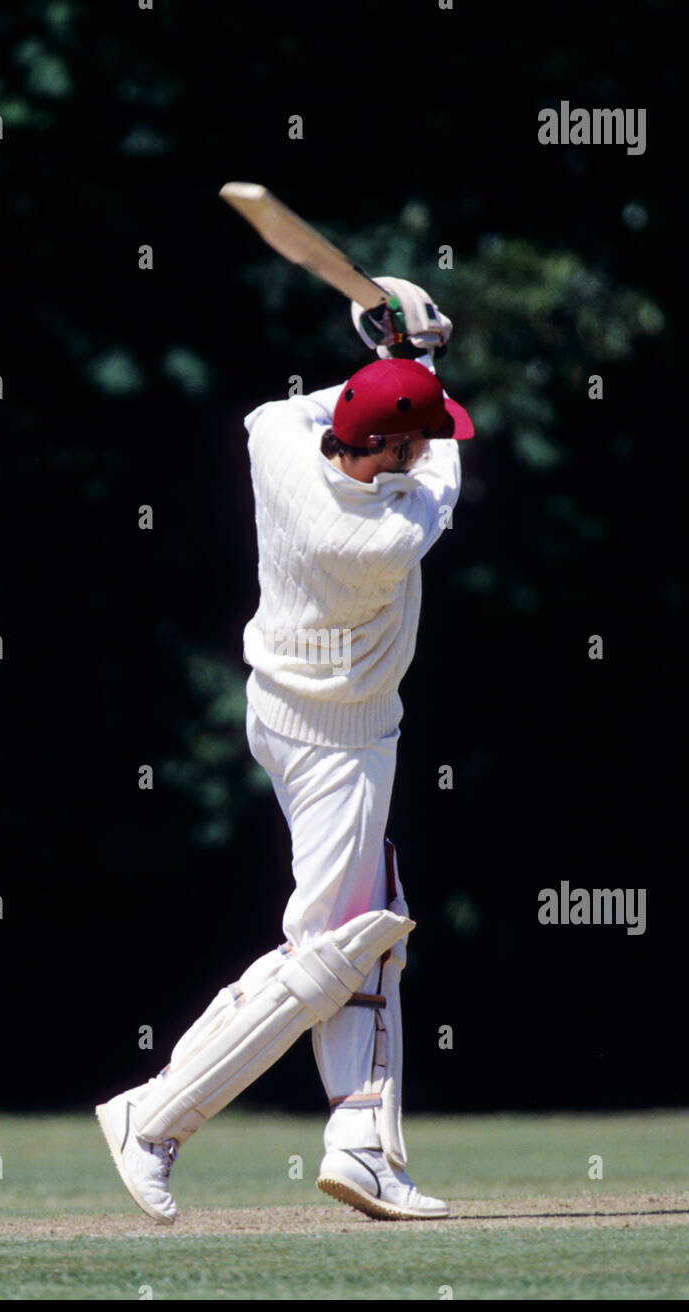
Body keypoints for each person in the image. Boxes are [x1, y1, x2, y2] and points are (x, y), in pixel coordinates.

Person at [96, 278, 473, 1222]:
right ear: (387, 450)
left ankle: (360, 1144)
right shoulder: (383, 535)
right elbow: (441, 479)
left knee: (374, 924)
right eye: (416, 434)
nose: (428, 447)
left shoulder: (276, 442)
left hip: (276, 705)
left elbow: (302, 408)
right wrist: (418, 351)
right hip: (341, 740)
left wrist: (380, 349)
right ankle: (154, 1116)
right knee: (335, 945)